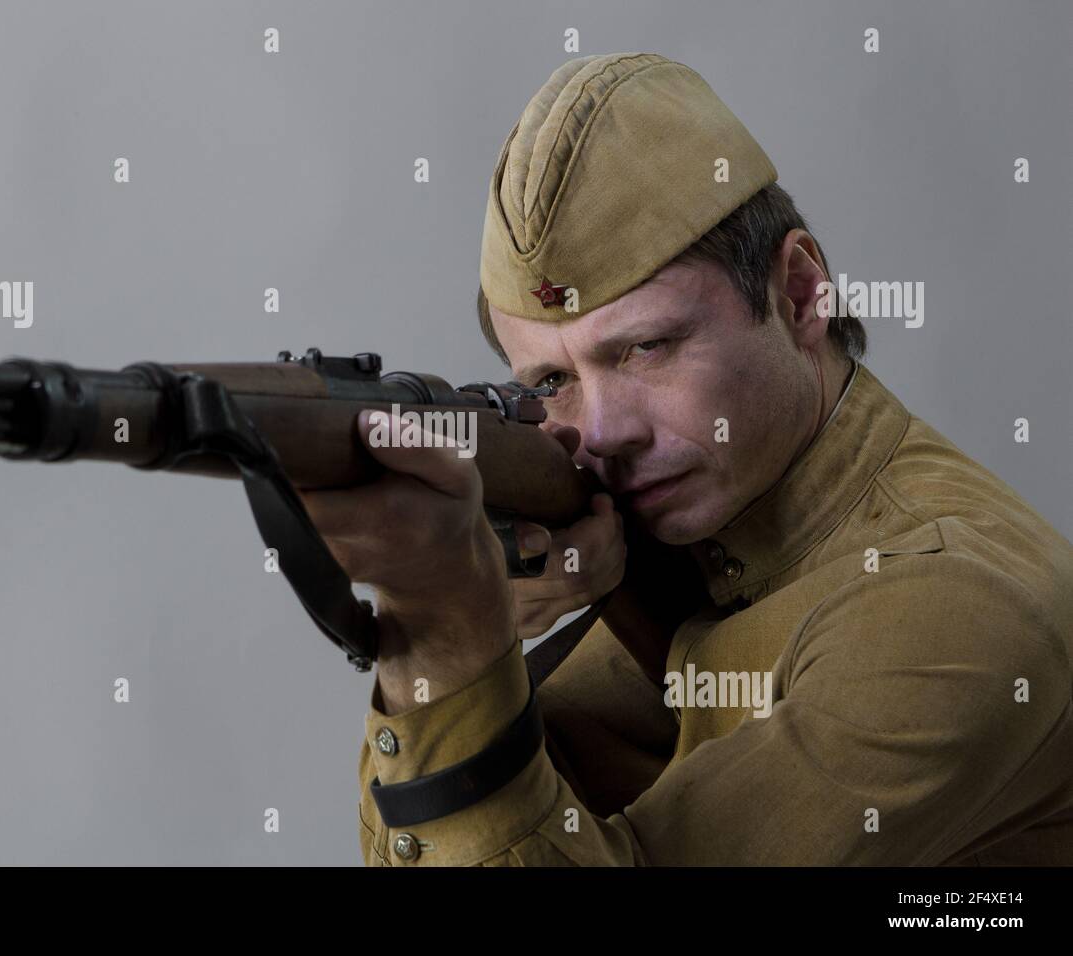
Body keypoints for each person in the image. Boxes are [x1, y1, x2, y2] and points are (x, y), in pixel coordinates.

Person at [299, 53, 1073, 865]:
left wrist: (448, 645)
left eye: (645, 348)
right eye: (553, 380)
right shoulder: (677, 542)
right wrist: (473, 643)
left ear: (802, 293)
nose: (601, 434)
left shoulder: (949, 609)